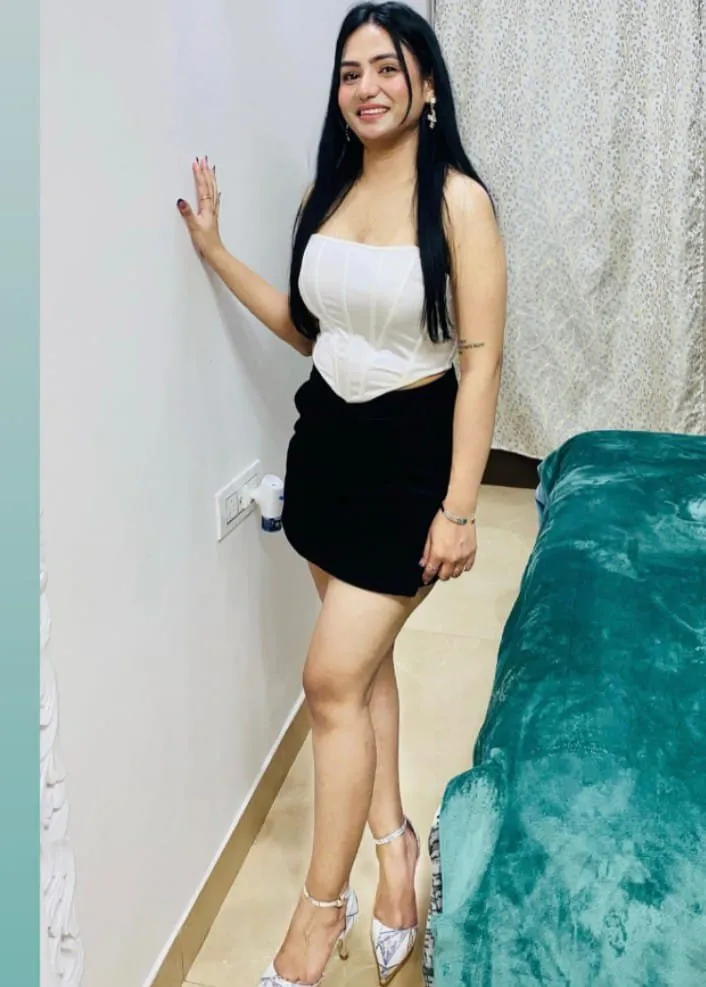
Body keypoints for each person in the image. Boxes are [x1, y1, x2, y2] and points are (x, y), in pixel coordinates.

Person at [176, 3, 506, 984]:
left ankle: (320, 916)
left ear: (427, 85)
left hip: (411, 462)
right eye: (350, 71)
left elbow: (481, 364)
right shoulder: (328, 191)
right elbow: (314, 330)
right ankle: (395, 854)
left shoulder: (459, 204)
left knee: (327, 681)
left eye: (387, 68)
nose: (366, 87)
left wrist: (459, 508)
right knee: (361, 673)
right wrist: (217, 254)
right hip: (326, 450)